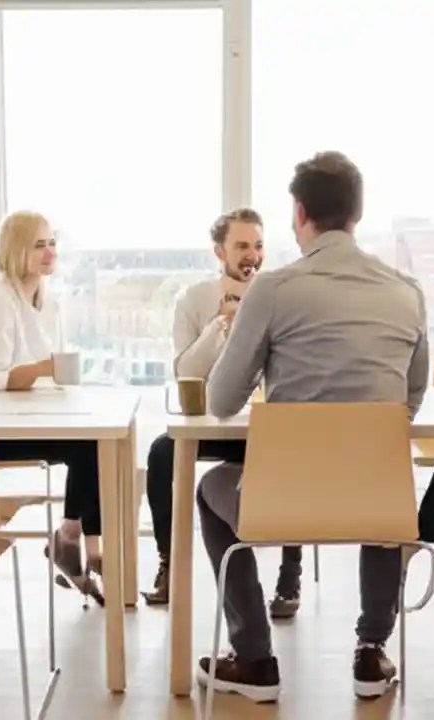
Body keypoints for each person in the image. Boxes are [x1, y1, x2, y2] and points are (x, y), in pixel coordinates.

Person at [194, 151, 429, 703]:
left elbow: (222, 400)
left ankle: (253, 660)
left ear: (299, 213)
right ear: (357, 213)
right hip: (379, 501)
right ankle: (372, 651)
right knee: (379, 480)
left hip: (281, 502)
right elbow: (409, 401)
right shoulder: (406, 292)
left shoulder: (272, 290)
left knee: (210, 490)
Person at [141, 208, 304, 615]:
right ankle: (169, 565)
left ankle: (290, 577)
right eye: (242, 246)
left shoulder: (277, 297)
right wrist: (220, 326)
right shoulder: (194, 300)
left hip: (264, 424)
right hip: (213, 422)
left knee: (297, 451)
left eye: (259, 245)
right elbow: (185, 372)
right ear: (220, 251)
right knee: (162, 454)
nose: (252, 254)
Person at [0, 210, 105, 604]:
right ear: (16, 249)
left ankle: (78, 540)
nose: (50, 252)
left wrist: (52, 374)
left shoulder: (46, 298)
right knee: (89, 447)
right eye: (39, 244)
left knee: (95, 442)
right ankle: (80, 546)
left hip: (26, 418)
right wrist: (47, 368)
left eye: (52, 242)